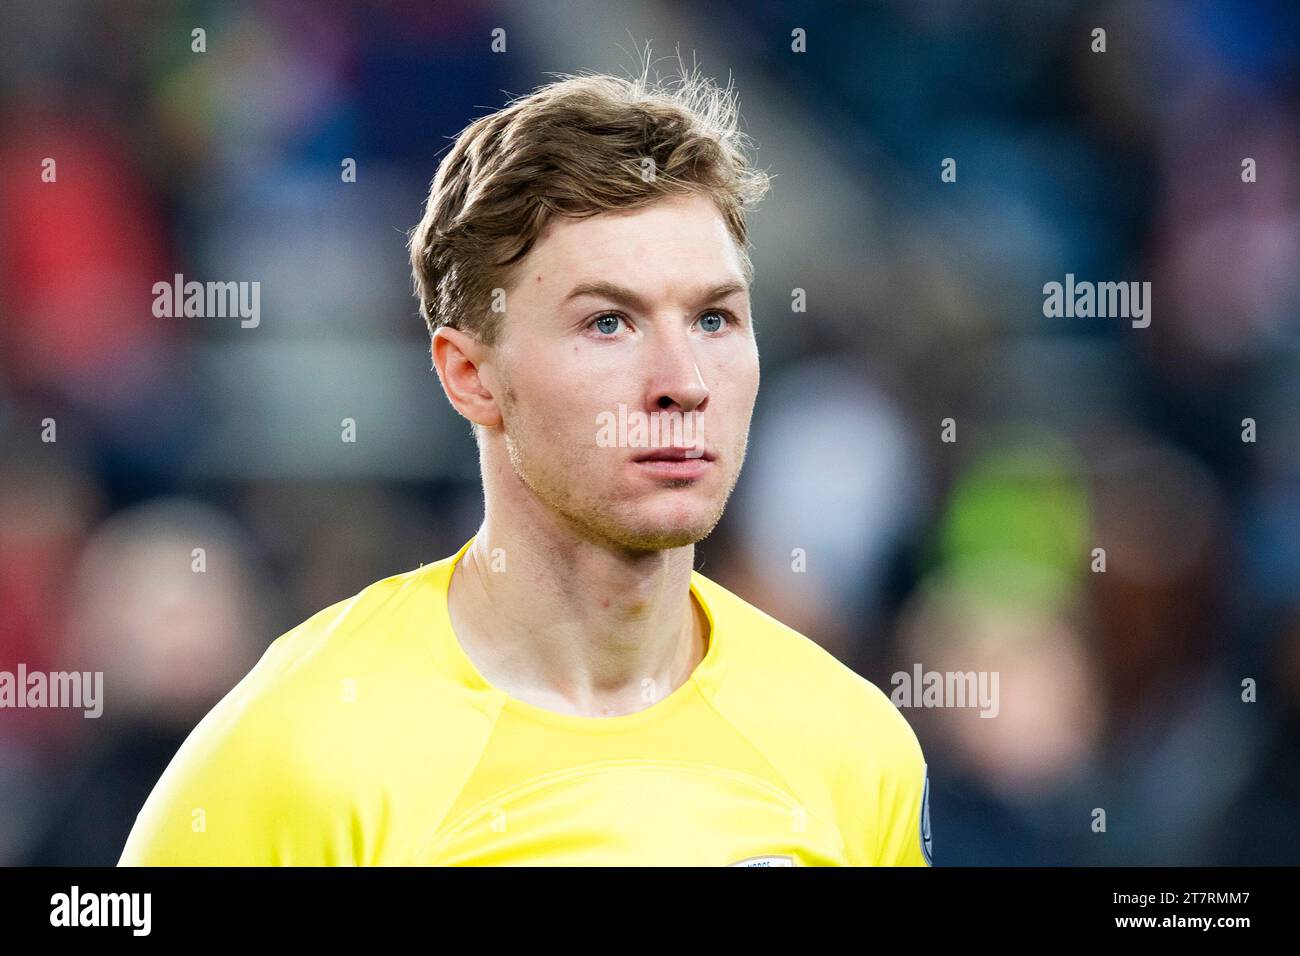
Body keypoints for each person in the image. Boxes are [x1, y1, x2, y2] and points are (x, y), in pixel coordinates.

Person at [119, 66, 932, 866]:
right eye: (610, 323)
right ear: (470, 376)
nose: (684, 382)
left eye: (714, 318)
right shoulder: (299, 742)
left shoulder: (854, 747)